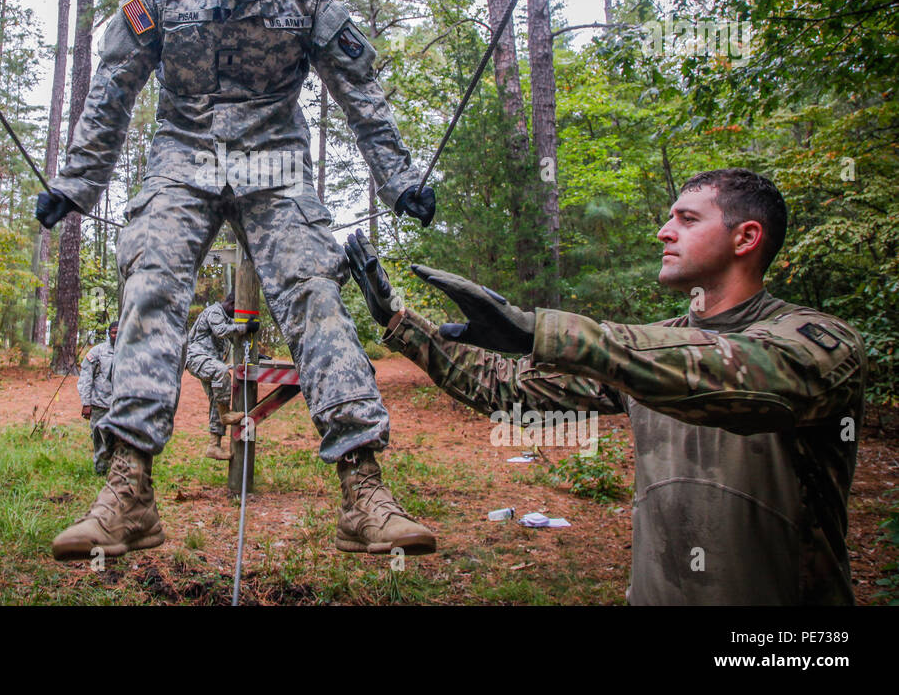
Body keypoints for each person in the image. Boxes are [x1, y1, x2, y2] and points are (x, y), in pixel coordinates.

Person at [37, 0, 438, 561]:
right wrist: (75, 183)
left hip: (274, 163)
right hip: (182, 157)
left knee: (315, 293)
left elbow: (361, 92)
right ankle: (129, 494)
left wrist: (399, 179)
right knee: (151, 281)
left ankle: (364, 493)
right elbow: (112, 90)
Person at [346, 168, 867, 605]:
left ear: (746, 237)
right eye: (669, 217)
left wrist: (538, 329)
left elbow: (739, 375)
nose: (664, 231)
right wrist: (403, 325)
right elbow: (510, 390)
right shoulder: (648, 351)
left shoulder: (820, 342)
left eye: (687, 220)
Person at [184, 295, 253, 460]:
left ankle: (214, 446)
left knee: (217, 399)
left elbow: (233, 337)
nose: (236, 315)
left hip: (209, 361)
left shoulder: (225, 317)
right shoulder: (214, 312)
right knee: (221, 371)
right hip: (196, 357)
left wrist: (255, 354)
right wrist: (245, 327)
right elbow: (221, 331)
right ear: (231, 303)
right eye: (236, 310)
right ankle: (225, 415)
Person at [77, 322, 118, 475]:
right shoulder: (97, 352)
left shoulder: (129, 352)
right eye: (114, 332)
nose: (117, 335)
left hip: (121, 405)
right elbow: (86, 379)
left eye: (120, 332)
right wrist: (86, 403)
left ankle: (118, 472)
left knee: (121, 440)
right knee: (100, 439)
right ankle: (101, 471)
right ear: (109, 333)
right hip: (101, 404)